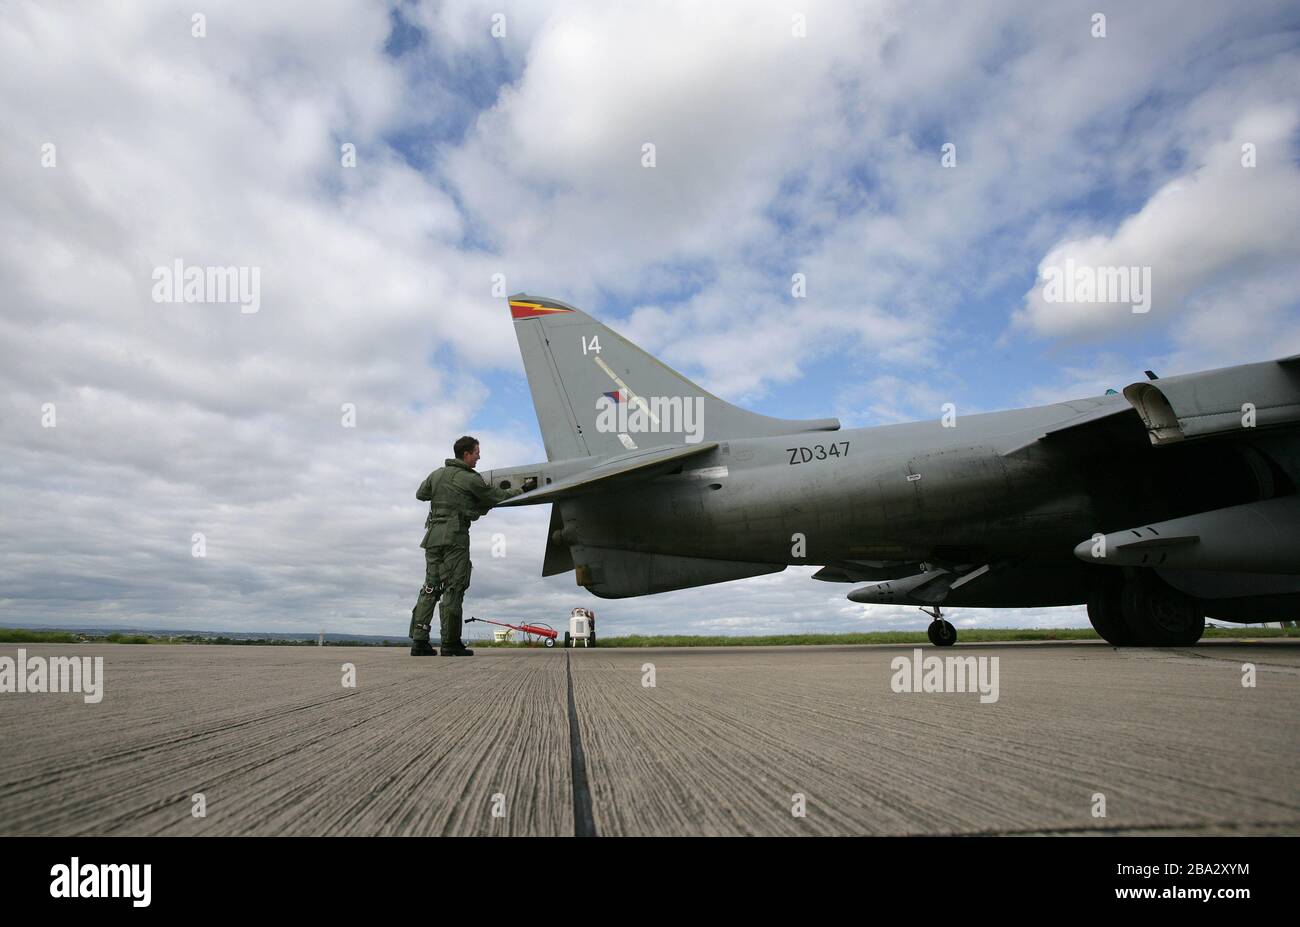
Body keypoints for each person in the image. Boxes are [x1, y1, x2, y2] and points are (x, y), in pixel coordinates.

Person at [408, 436, 534, 656]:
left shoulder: (436, 474)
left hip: (432, 537)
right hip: (454, 537)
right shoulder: (469, 478)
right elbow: (496, 497)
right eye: (476, 452)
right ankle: (450, 643)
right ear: (466, 454)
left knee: (430, 587)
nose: (479, 456)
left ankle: (419, 642)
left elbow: (421, 494)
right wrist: (522, 490)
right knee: (454, 588)